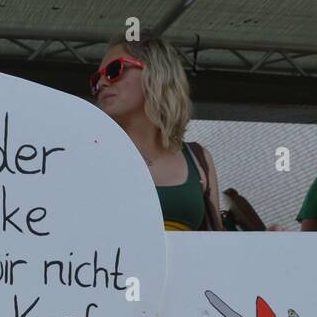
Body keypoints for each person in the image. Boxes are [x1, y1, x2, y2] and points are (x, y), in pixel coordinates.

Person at [93, 36, 224, 231]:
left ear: (156, 74)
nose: (101, 83)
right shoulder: (90, 155)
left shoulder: (199, 159)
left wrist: (268, 242)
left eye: (114, 70)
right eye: (96, 78)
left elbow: (219, 244)